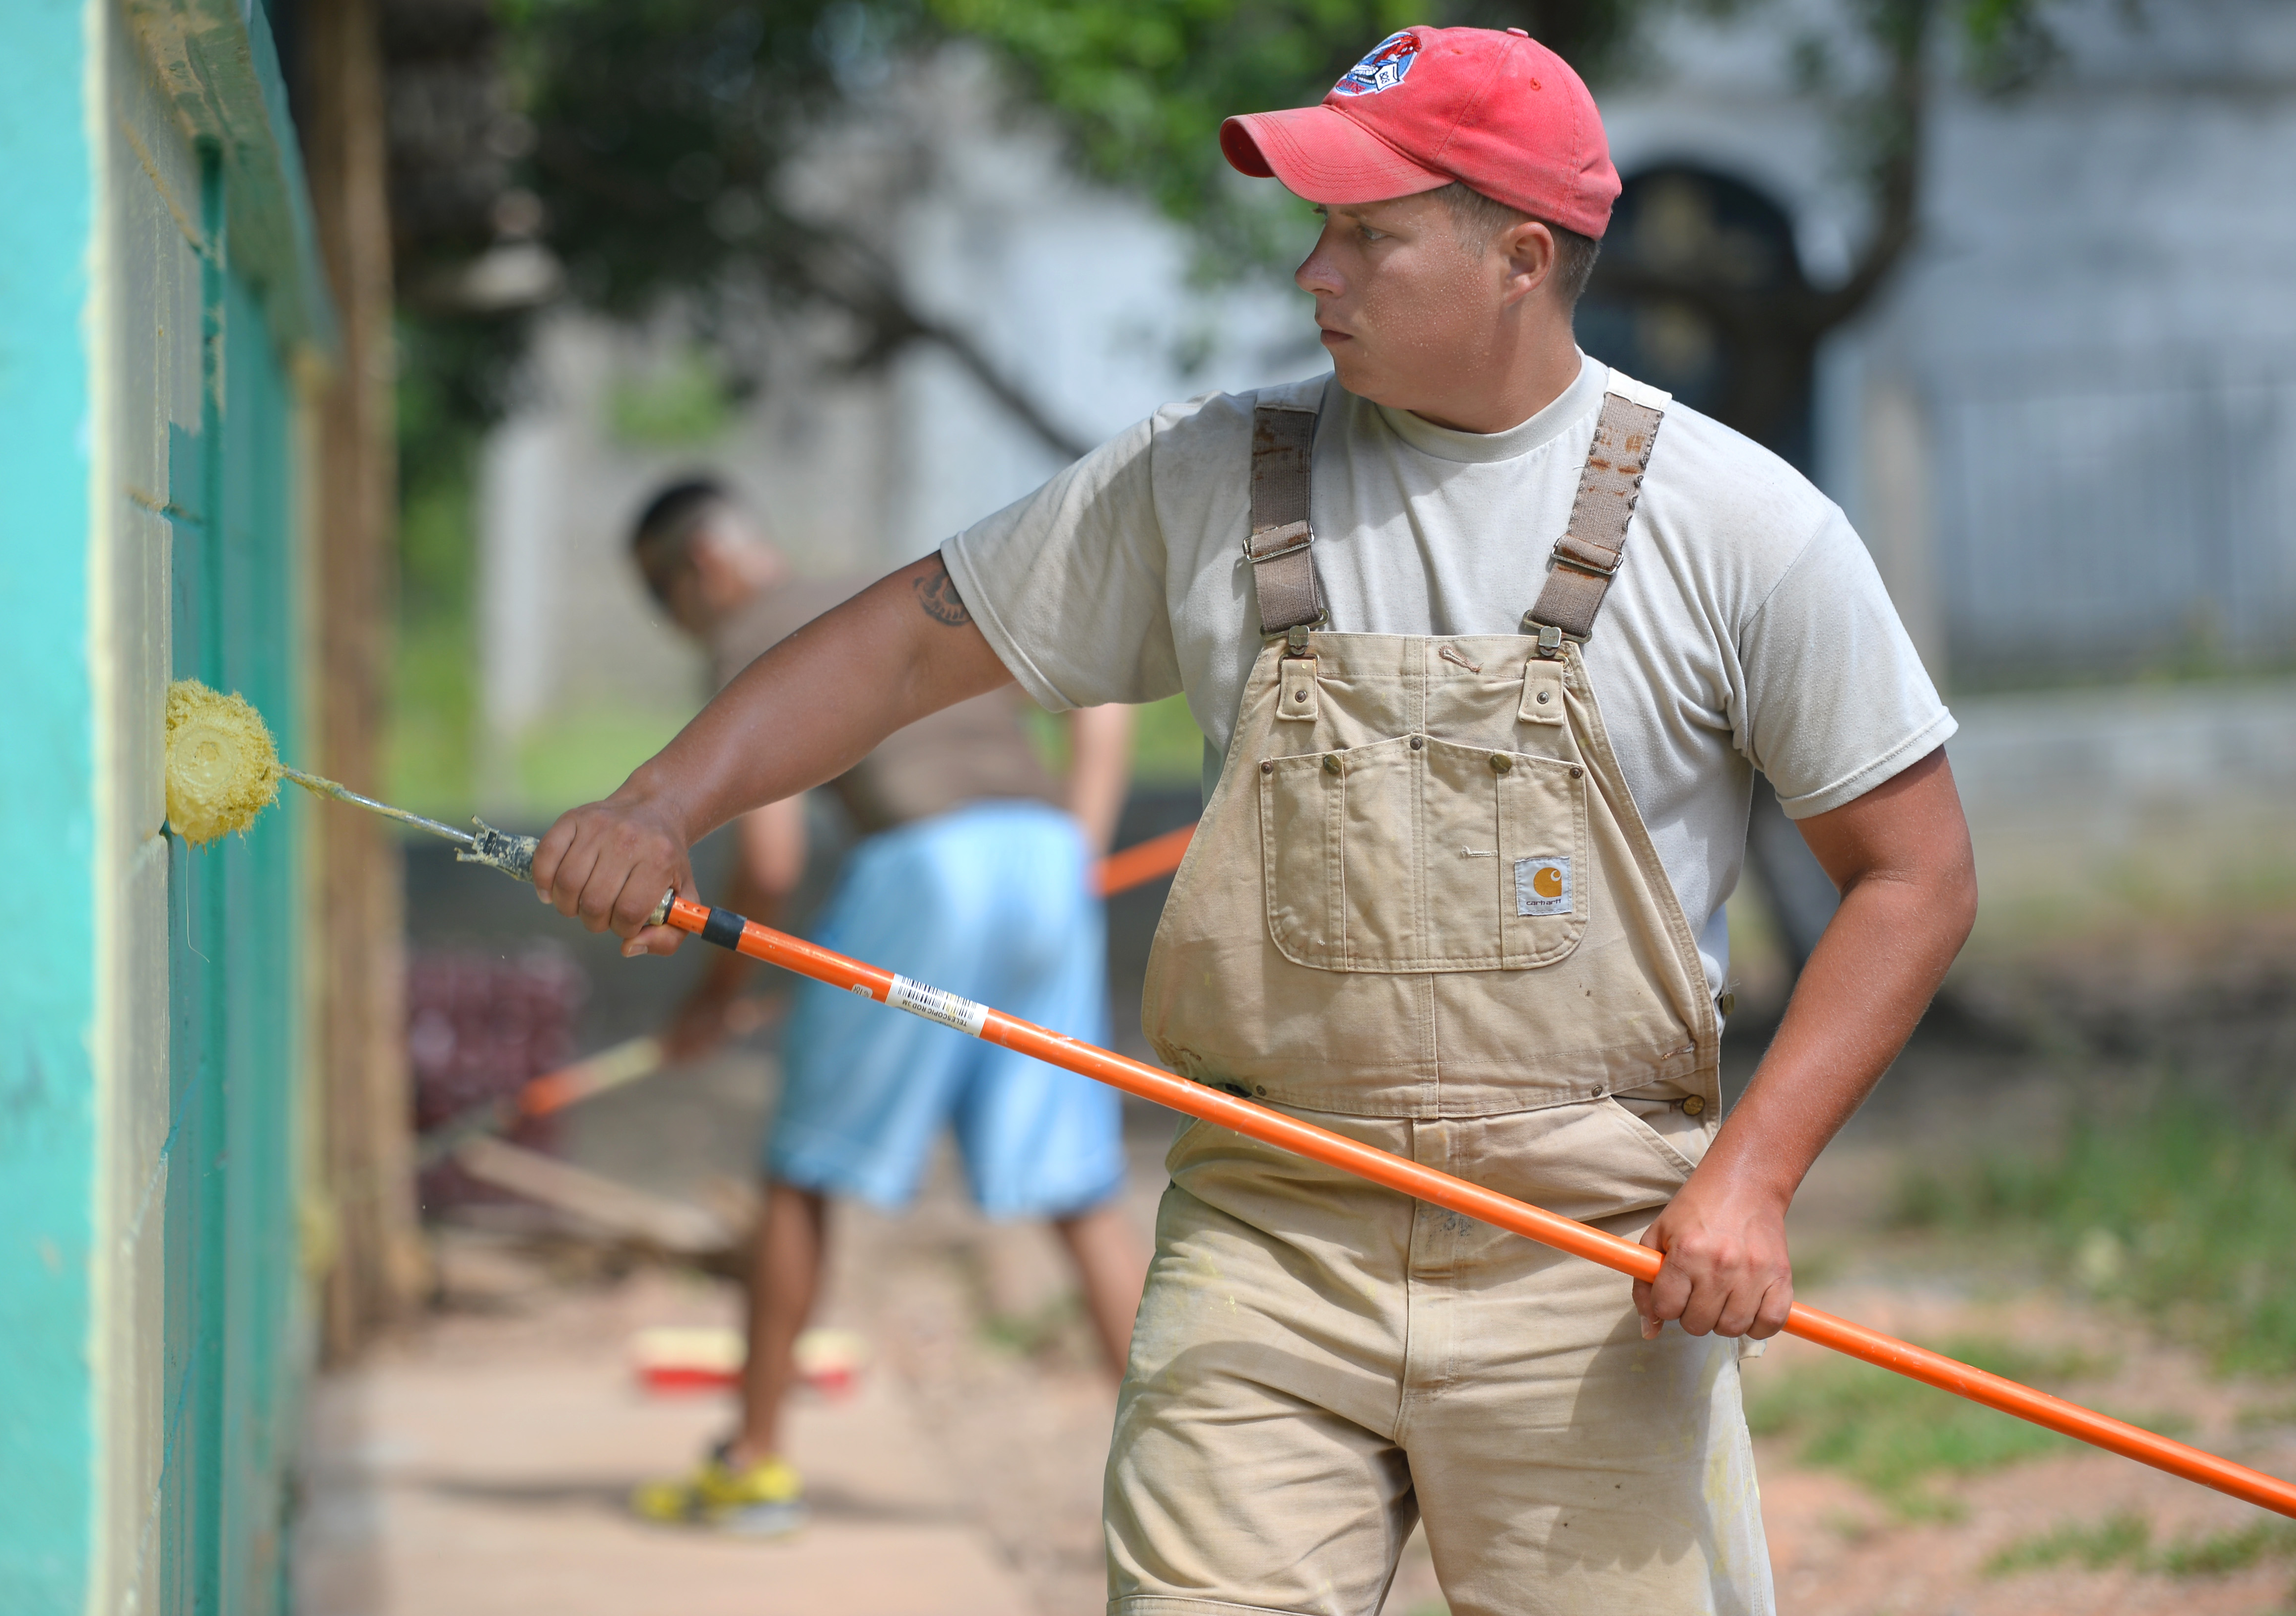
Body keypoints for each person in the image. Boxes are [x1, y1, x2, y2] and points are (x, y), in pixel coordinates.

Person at [541, 30, 1975, 1613]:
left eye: (1366, 233)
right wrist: (662, 798)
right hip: (1269, 1241)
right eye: (1316, 228)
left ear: (1519, 255)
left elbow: (1913, 877)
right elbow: (900, 646)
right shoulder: (1206, 479)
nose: (1314, 270)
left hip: (1591, 1272)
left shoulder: (1745, 526)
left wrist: (1755, 1178)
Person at [616, 479, 1148, 1537]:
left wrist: (713, 997)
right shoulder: (879, 594)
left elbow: (764, 861)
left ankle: (755, 1463)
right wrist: (1080, 839)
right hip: (1045, 860)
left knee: (804, 1170)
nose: (683, 625)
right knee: (1077, 1183)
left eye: (667, 602)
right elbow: (1107, 690)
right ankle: (1187, 1477)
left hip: (924, 873)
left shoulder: (753, 636)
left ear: (704, 569)